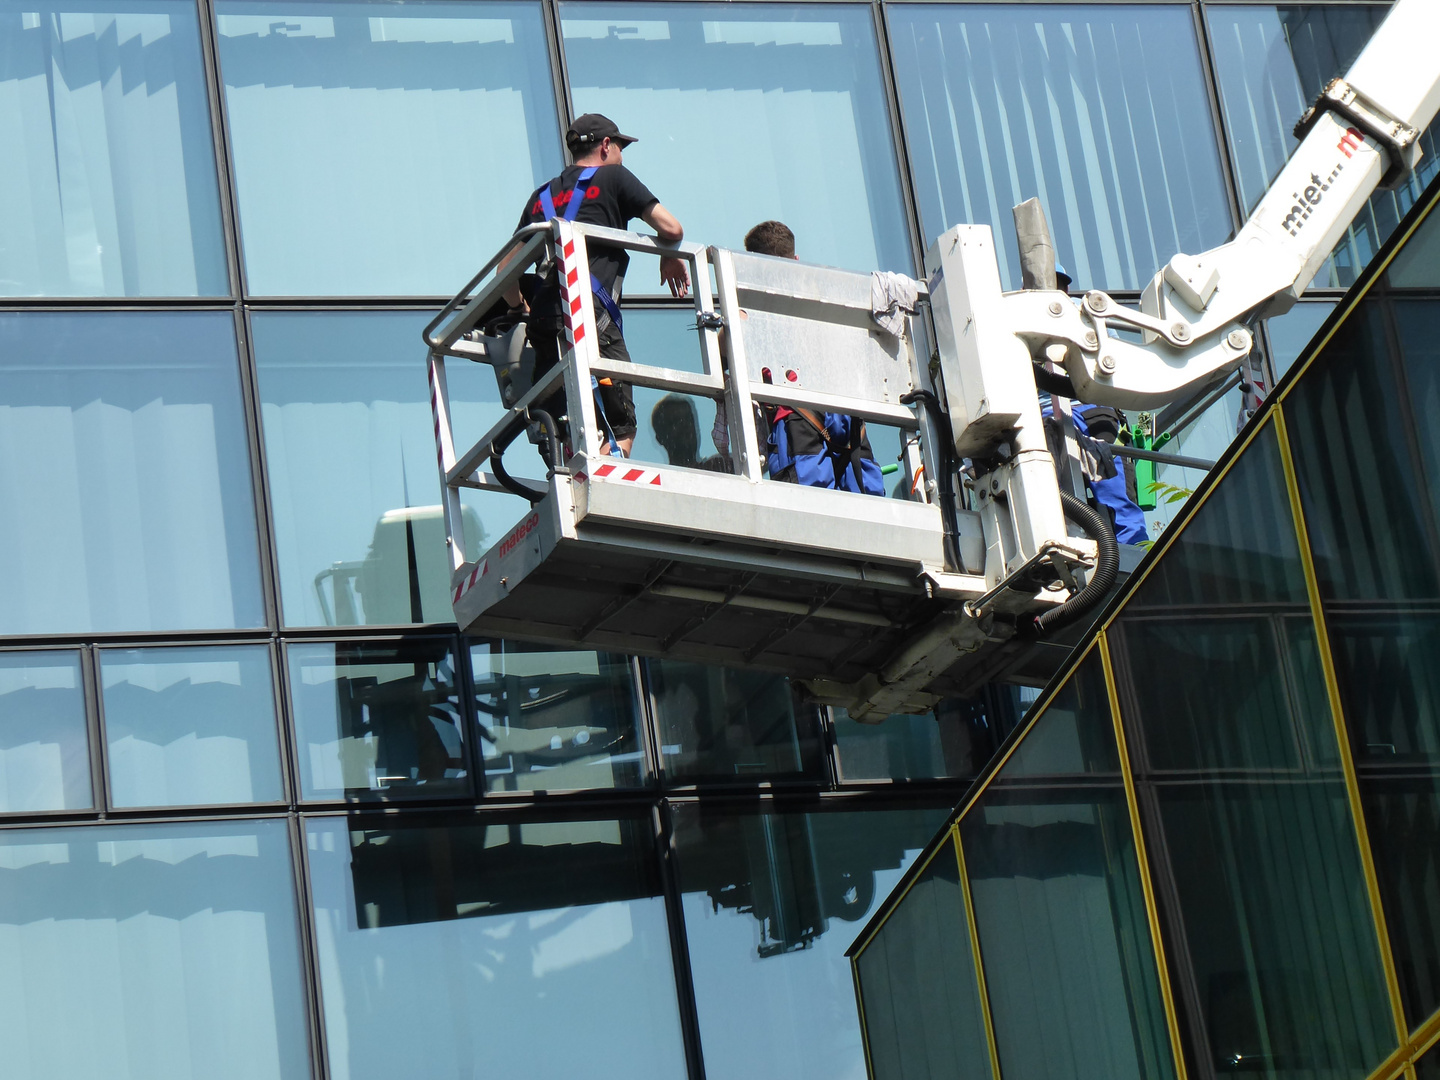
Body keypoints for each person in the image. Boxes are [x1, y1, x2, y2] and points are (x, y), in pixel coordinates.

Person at [511, 114, 689, 457]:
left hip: (545, 324)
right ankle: (607, 477)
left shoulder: (540, 197)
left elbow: (506, 270)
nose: (621, 157)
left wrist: (519, 306)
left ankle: (570, 475)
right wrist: (668, 252)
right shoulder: (614, 176)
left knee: (563, 426)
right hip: (591, 319)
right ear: (606, 146)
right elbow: (672, 228)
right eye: (620, 148)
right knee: (622, 428)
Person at [743, 221, 885, 496]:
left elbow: (726, 344)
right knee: (868, 506)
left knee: (809, 506)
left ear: (754, 265)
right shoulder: (826, 295)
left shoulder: (755, 306)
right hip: (846, 414)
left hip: (798, 418)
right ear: (795, 259)